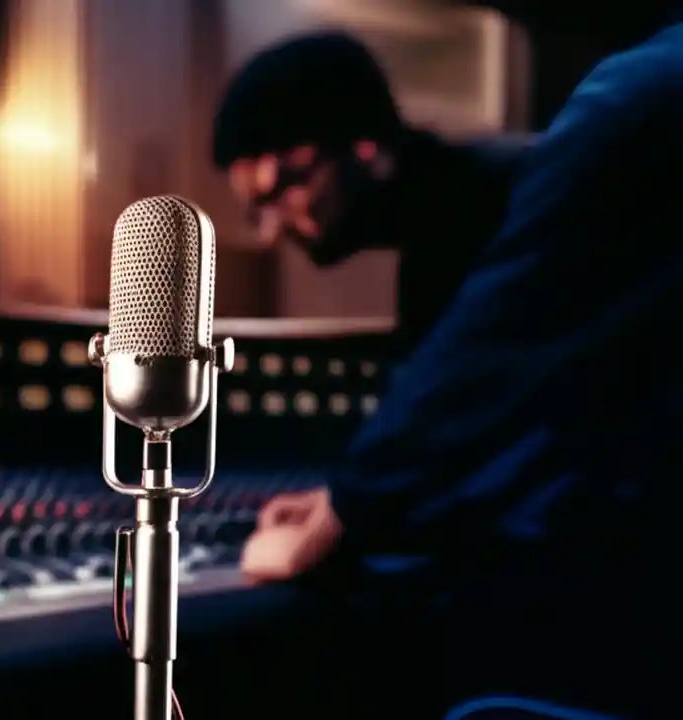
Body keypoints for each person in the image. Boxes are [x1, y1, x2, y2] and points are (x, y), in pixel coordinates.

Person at [227, 5, 683, 718]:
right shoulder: (451, 210)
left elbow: (493, 363)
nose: (276, 221)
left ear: (365, 145)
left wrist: (346, 511)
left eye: (285, 182)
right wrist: (347, 497)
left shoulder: (616, 111)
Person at [212, 31, 526, 356]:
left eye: (283, 189)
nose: (271, 232)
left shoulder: (468, 220)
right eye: (257, 212)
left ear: (363, 147)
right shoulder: (441, 214)